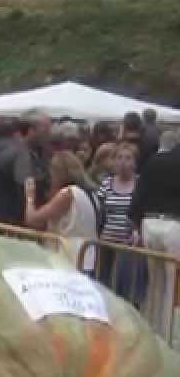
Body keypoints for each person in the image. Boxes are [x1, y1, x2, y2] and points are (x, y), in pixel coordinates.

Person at [132, 129, 180, 338]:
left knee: (154, 282)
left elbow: (139, 193)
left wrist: (136, 222)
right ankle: (168, 334)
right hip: (173, 224)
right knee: (172, 283)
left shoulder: (152, 161)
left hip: (149, 222)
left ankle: (153, 332)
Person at [24, 150, 101, 272]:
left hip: (67, 257)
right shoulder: (92, 194)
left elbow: (33, 219)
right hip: (88, 256)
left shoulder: (68, 194)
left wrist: (29, 197)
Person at [98, 142, 146, 306]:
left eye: (128, 158)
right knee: (105, 290)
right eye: (119, 158)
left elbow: (142, 213)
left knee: (128, 293)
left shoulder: (140, 184)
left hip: (130, 247)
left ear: (134, 162)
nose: (123, 162)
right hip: (107, 244)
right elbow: (100, 211)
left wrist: (138, 233)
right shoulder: (106, 183)